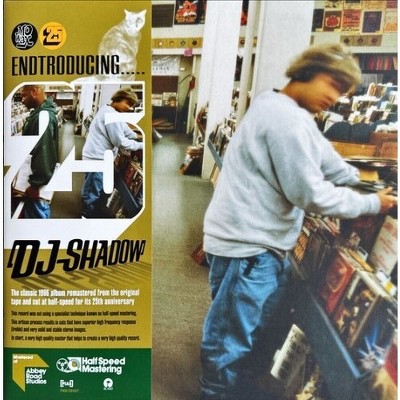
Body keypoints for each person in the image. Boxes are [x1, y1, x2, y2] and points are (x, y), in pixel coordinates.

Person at [200, 43, 397, 400]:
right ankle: (216, 393)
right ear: (308, 71)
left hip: (257, 243)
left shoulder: (286, 110)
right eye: (332, 84)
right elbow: (309, 194)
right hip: (248, 247)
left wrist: (364, 181)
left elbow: (326, 160)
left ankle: (233, 385)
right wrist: (371, 202)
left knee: (246, 328)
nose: (334, 98)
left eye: (342, 91)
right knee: (229, 335)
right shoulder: (285, 120)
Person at [81, 88, 143, 218]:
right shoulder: (110, 115)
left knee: (94, 186)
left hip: (97, 156)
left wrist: (139, 136)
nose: (129, 108)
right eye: (127, 103)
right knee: (92, 189)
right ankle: (87, 215)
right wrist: (141, 145)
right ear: (118, 98)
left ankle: (92, 211)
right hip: (97, 158)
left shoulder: (109, 110)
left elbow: (125, 130)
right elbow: (120, 142)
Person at [20, 85, 59, 219]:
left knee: (36, 217)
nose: (22, 100)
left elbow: (43, 151)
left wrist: (35, 184)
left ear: (34, 91)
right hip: (37, 177)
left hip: (37, 182)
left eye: (24, 95)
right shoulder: (41, 113)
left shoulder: (42, 116)